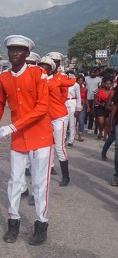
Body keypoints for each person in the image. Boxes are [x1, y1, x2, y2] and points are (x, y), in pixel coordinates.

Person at [0, 35, 53, 246]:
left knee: (40, 184)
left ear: (27, 54)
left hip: (40, 136)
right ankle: (13, 222)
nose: (14, 53)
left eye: (19, 50)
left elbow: (42, 107)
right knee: (15, 182)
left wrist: (12, 126)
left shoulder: (38, 74)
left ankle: (41, 224)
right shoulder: (3, 78)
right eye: (11, 49)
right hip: (19, 139)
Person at [38, 56, 74, 186]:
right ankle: (48, 170)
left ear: (52, 68)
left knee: (59, 146)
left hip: (59, 116)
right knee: (47, 146)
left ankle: (66, 176)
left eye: (45, 66)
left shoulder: (58, 79)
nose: (42, 68)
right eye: (41, 65)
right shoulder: (38, 80)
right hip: (46, 117)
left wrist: (72, 75)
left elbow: (72, 82)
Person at [64, 71, 82, 147]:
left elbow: (79, 97)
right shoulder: (63, 83)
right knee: (64, 123)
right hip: (64, 103)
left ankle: (71, 140)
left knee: (72, 123)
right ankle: (63, 137)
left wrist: (77, 109)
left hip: (72, 103)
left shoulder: (76, 85)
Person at [85, 68, 102, 133]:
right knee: (86, 112)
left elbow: (100, 87)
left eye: (93, 72)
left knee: (92, 113)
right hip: (87, 97)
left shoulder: (99, 79)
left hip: (94, 98)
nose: (92, 73)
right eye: (91, 72)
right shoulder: (86, 78)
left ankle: (90, 127)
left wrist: (96, 91)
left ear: (96, 73)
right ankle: (85, 124)